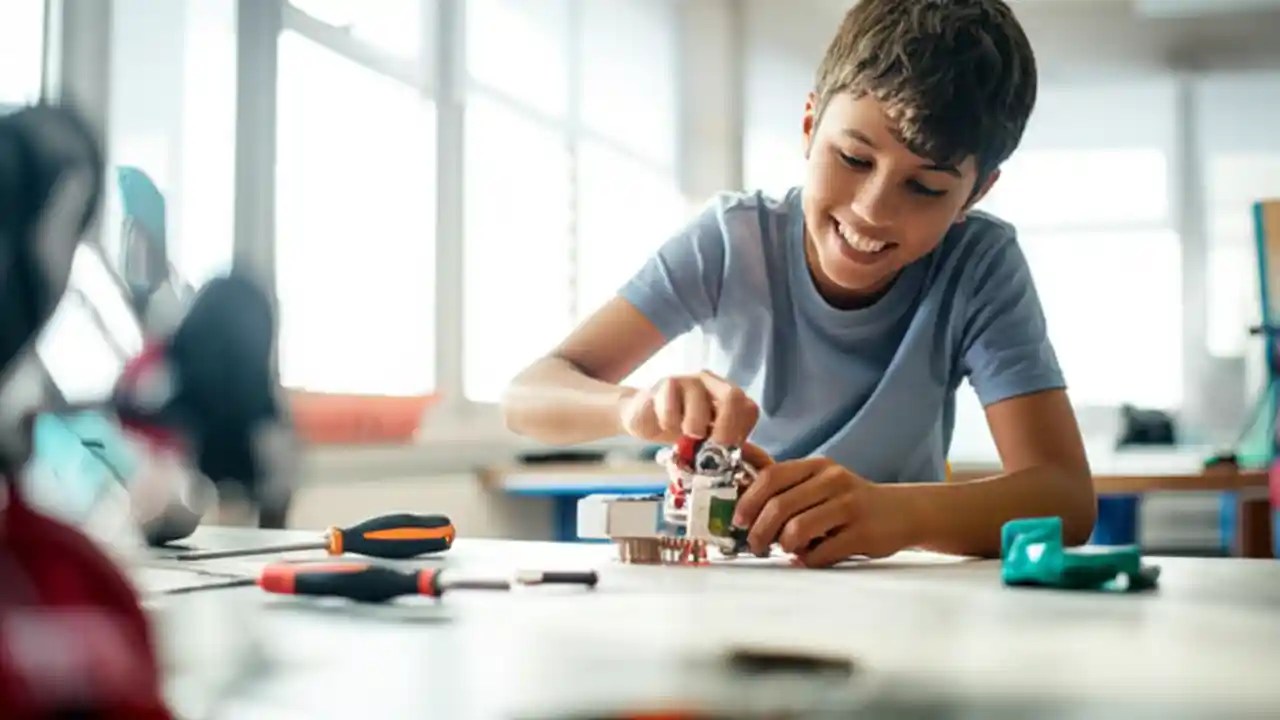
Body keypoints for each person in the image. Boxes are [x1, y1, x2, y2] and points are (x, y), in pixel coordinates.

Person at [501, 0, 1095, 567]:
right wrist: (632, 406)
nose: (872, 211)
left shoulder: (980, 266)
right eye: (855, 159)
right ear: (810, 125)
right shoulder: (731, 241)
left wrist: (898, 513)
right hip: (735, 578)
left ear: (976, 193)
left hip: (898, 585)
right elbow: (528, 398)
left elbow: (1065, 498)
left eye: (926, 188)